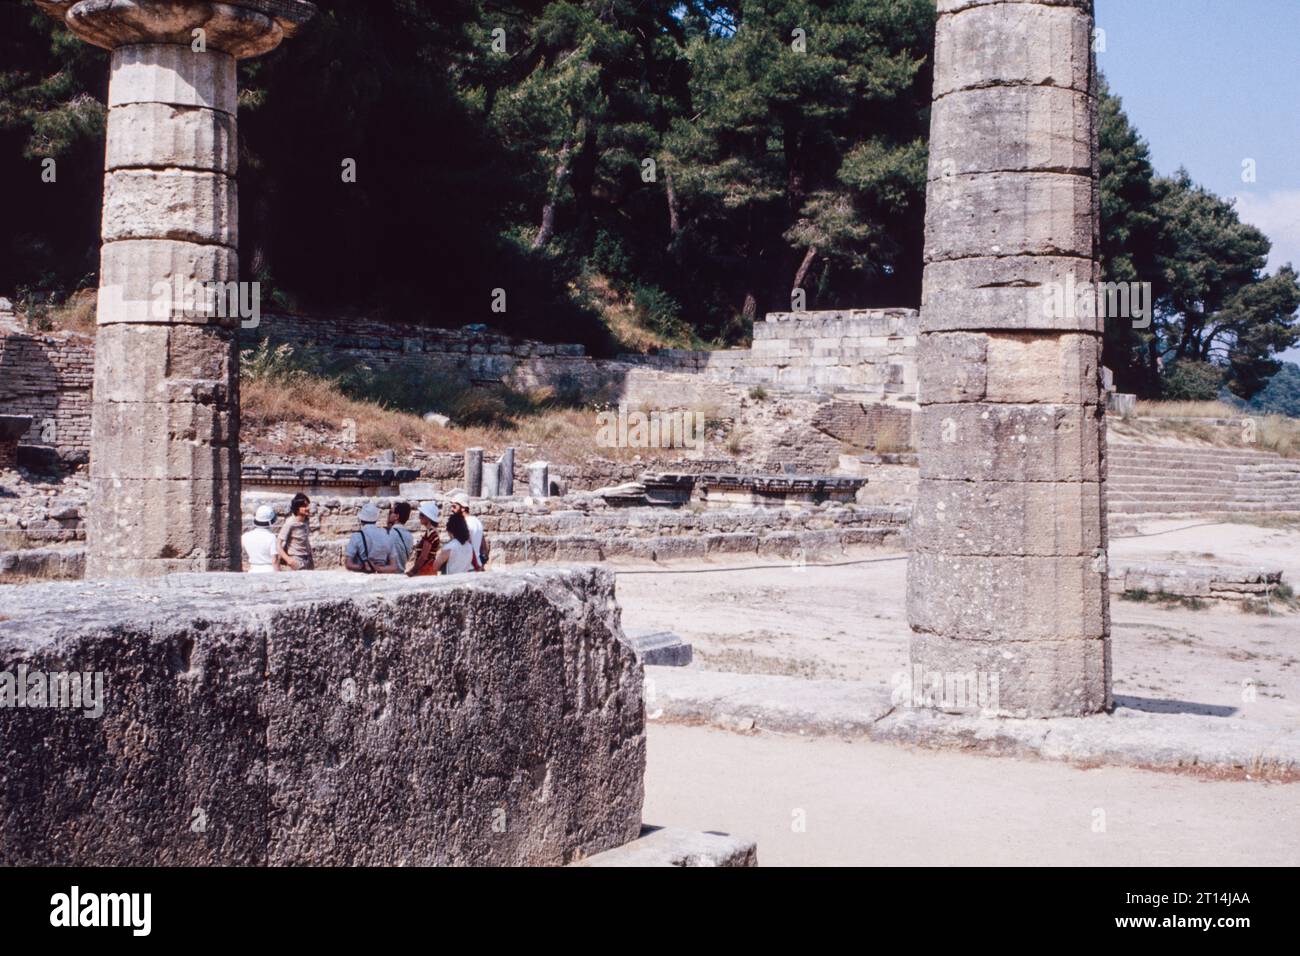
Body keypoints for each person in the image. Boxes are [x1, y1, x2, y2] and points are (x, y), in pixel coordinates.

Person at [344, 502, 401, 574]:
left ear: (361, 519)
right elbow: (394, 567)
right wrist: (378, 568)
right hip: (381, 575)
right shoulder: (387, 535)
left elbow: (348, 564)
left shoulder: (356, 536)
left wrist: (363, 567)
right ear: (376, 519)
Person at [449, 490, 490, 568]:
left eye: (454, 506)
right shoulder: (477, 522)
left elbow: (468, 547)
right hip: (477, 564)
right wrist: (481, 564)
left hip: (466, 566)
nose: (452, 509)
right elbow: (484, 547)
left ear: (463, 508)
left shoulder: (463, 524)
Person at [277, 492, 314, 571]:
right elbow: (278, 544)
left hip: (308, 559)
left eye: (308, 505)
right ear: (297, 508)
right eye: (304, 506)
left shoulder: (306, 521)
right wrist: (289, 560)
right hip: (296, 559)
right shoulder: (290, 523)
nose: (307, 508)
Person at [406, 501, 442, 577]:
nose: (419, 517)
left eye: (421, 514)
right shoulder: (432, 532)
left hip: (425, 571)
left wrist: (412, 571)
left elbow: (423, 556)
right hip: (428, 569)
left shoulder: (430, 533)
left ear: (428, 517)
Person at [242, 505, 280, 573]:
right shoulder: (271, 537)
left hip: (253, 571)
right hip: (269, 571)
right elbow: (274, 560)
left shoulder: (245, 536)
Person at [387, 501, 414, 568]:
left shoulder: (391, 533)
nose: (388, 515)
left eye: (390, 512)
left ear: (397, 516)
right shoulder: (409, 535)